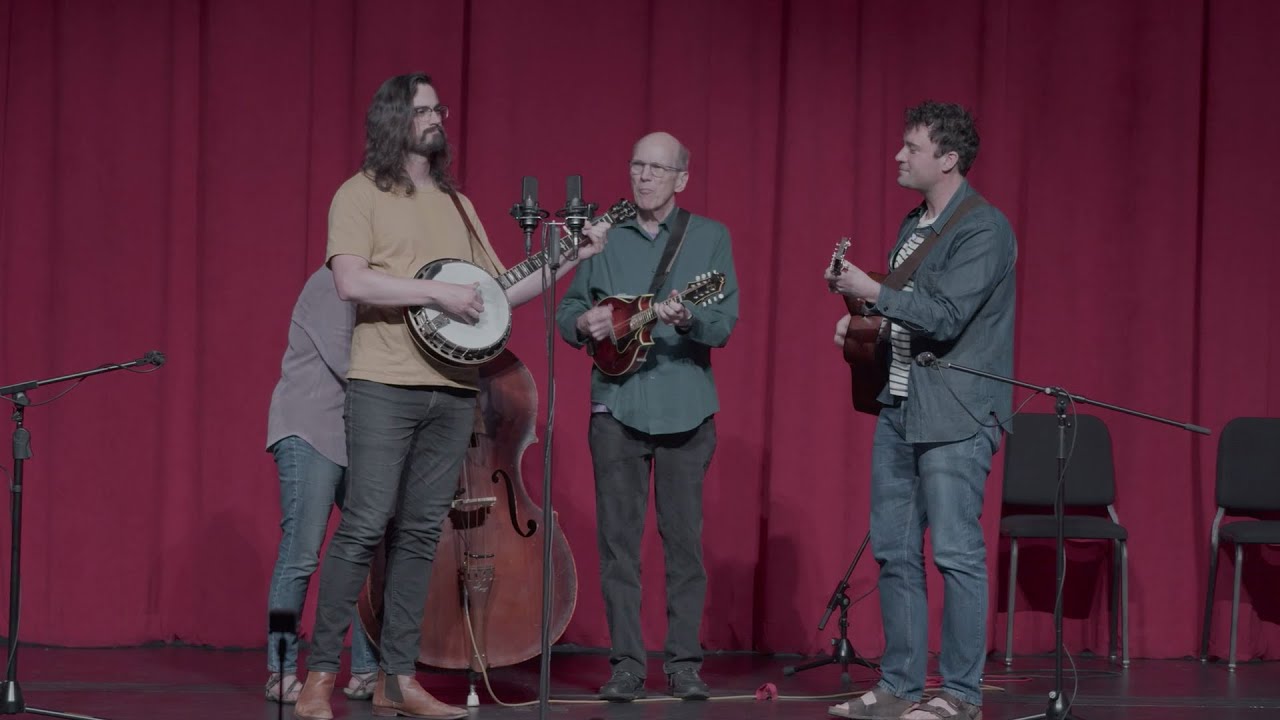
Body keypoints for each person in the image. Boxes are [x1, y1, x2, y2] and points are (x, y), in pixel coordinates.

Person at [293, 72, 603, 720]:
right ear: (392, 120)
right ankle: (320, 676)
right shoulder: (359, 194)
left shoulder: (457, 205)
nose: (436, 118)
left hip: (455, 391)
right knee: (364, 526)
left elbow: (496, 292)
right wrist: (435, 291)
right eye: (423, 110)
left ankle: (397, 679)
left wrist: (570, 256)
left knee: (419, 534)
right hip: (384, 385)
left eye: (439, 109)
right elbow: (351, 281)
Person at [823, 101, 1016, 720]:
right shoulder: (914, 224)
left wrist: (873, 291)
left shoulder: (983, 229)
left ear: (948, 158)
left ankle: (960, 695)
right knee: (894, 550)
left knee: (956, 553)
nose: (899, 156)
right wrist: (862, 323)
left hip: (957, 412)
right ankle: (900, 686)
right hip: (902, 405)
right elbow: (906, 314)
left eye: (912, 147)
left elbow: (947, 316)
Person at [556, 132, 739, 703]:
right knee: (618, 547)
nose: (644, 176)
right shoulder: (604, 236)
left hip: (686, 410)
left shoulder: (710, 237)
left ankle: (684, 665)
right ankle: (627, 666)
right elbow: (568, 310)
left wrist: (688, 320)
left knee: (684, 546)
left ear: (682, 178)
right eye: (638, 165)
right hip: (617, 407)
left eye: (658, 168)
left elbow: (723, 324)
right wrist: (582, 322)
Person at [264, 266, 379, 704]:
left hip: (355, 436)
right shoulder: (333, 281)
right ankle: (279, 671)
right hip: (309, 428)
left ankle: (366, 669)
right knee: (300, 554)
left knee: (368, 547)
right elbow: (354, 364)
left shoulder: (378, 284)